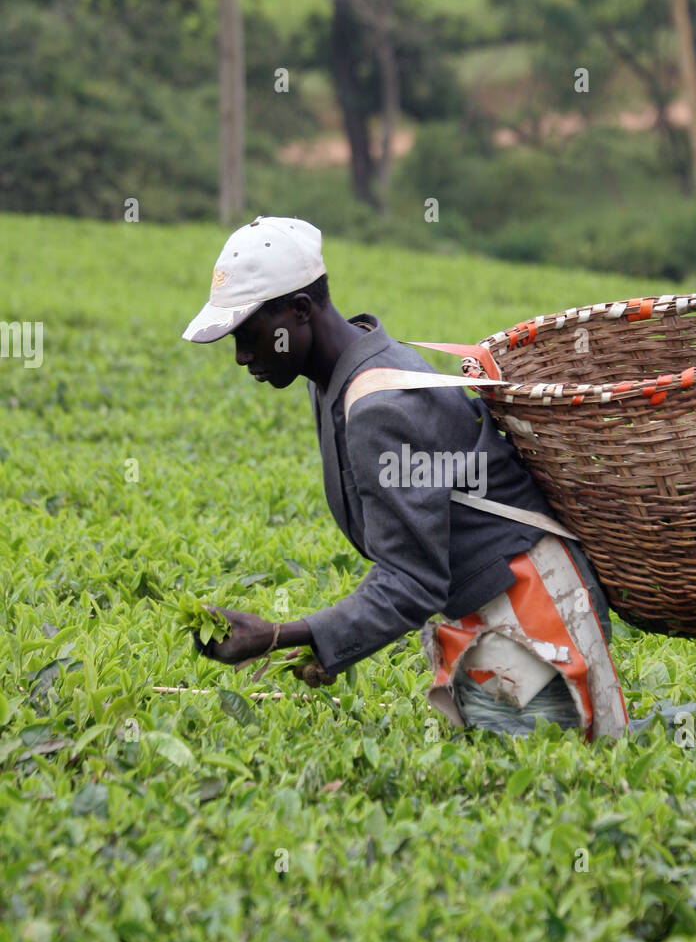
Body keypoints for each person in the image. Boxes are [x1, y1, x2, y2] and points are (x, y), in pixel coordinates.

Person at [182, 215, 629, 739]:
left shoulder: (379, 405)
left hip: (530, 600)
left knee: (567, 777)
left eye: (249, 335)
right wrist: (328, 644)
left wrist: (280, 634)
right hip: (486, 602)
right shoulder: (338, 374)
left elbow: (413, 579)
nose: (240, 356)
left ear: (300, 311)